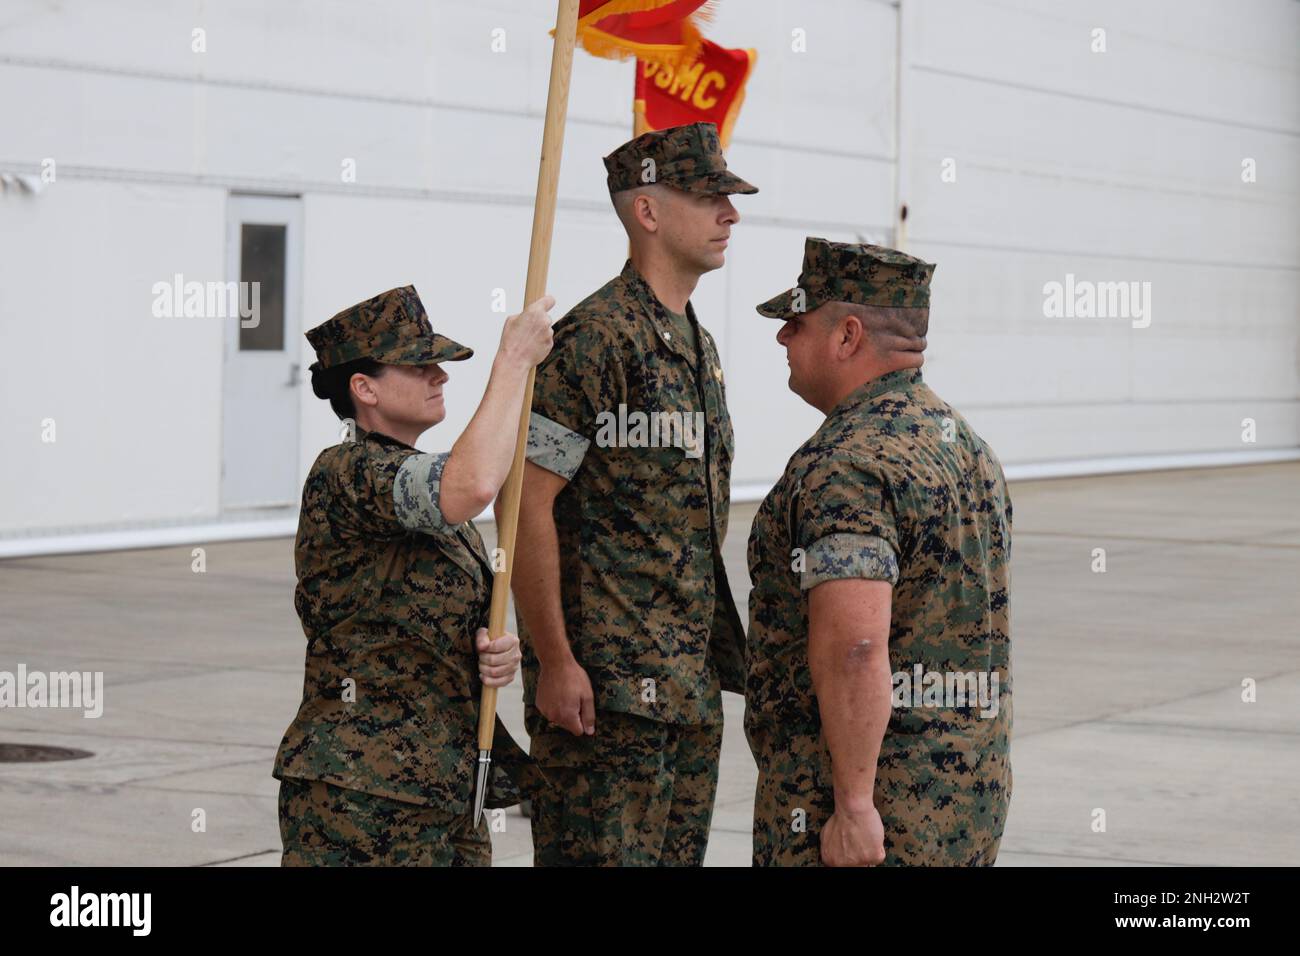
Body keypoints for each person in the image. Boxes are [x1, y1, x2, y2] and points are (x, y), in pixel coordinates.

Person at [506, 122, 756, 866]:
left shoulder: (695, 345)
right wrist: (553, 659)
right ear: (647, 212)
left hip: (687, 691)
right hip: (603, 701)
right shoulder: (594, 341)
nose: (730, 214)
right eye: (710, 197)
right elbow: (524, 504)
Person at [745, 238, 1013, 866]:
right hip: (966, 800)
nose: (783, 339)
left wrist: (855, 806)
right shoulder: (965, 445)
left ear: (848, 336)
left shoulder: (848, 466)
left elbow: (855, 647)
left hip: (872, 819)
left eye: (798, 322)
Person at [272, 283, 553, 866]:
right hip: (362, 794)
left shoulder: (426, 490)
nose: (440, 376)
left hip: (445, 788)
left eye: (440, 365)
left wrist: (491, 649)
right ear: (364, 387)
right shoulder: (346, 472)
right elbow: (473, 485)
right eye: (419, 364)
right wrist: (511, 363)